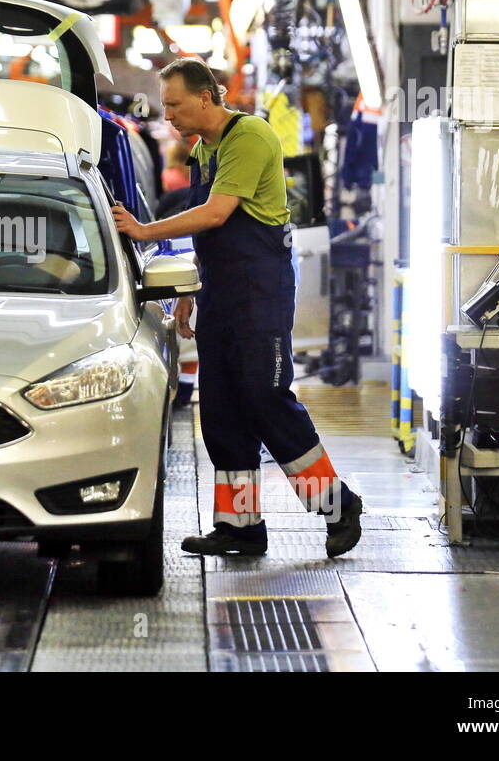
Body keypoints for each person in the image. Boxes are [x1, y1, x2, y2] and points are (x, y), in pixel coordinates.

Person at [111, 57, 363, 559]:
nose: (169, 115)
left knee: (265, 396)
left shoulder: (248, 136)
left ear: (206, 97)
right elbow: (209, 233)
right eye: (165, 106)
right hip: (220, 291)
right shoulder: (203, 150)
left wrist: (143, 231)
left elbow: (217, 212)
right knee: (222, 410)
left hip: (258, 290)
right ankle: (240, 527)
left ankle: (338, 504)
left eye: (175, 104)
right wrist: (187, 290)